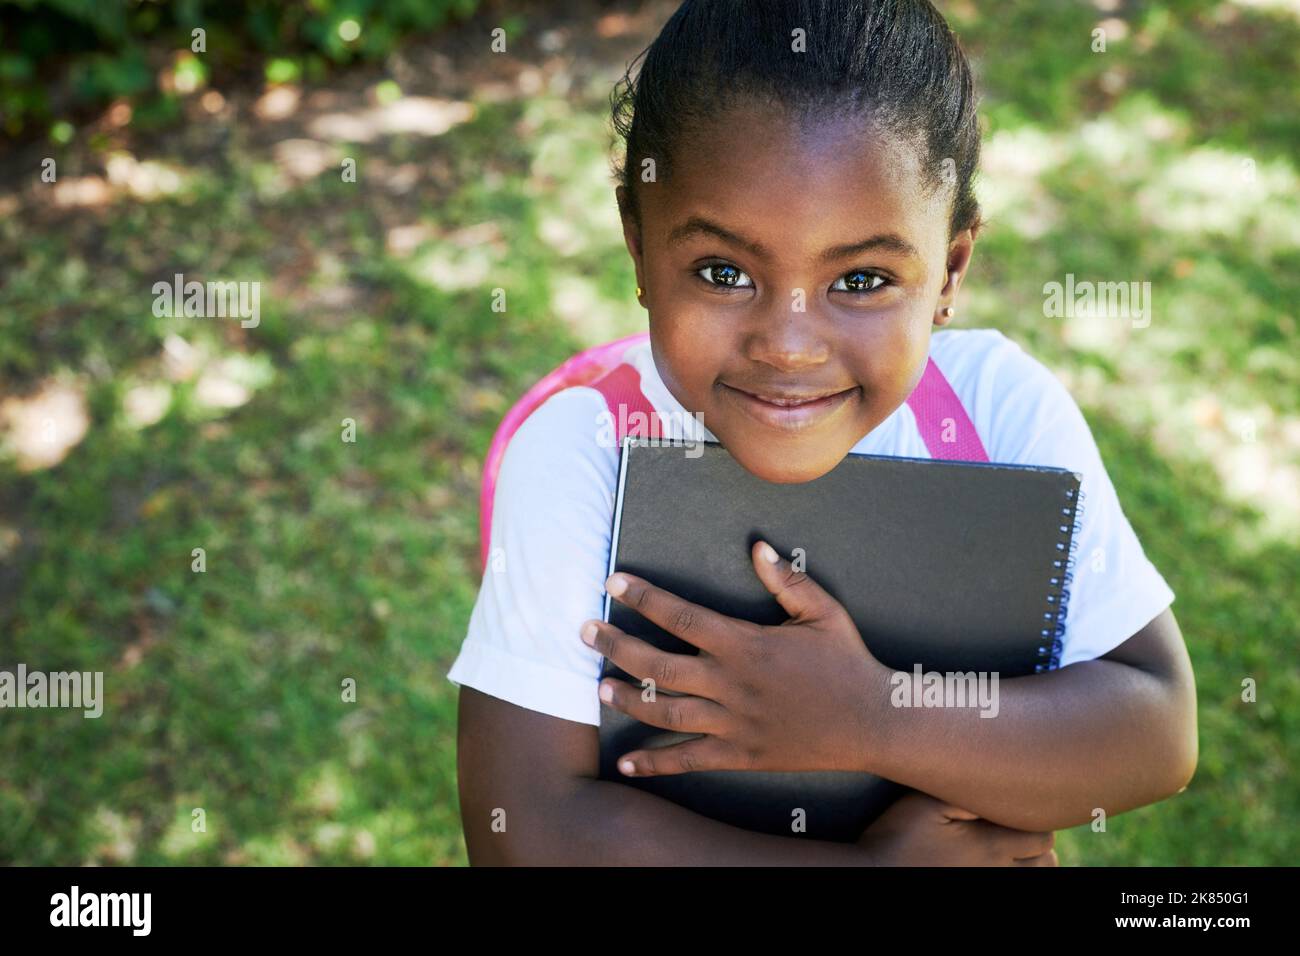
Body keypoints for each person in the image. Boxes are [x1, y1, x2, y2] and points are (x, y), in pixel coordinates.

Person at [448, 0, 1197, 865]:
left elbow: (1155, 729)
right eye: (724, 272)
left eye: (865, 278)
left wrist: (875, 717)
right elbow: (526, 833)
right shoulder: (585, 453)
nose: (790, 344)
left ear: (950, 269)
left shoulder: (997, 413)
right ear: (638, 244)